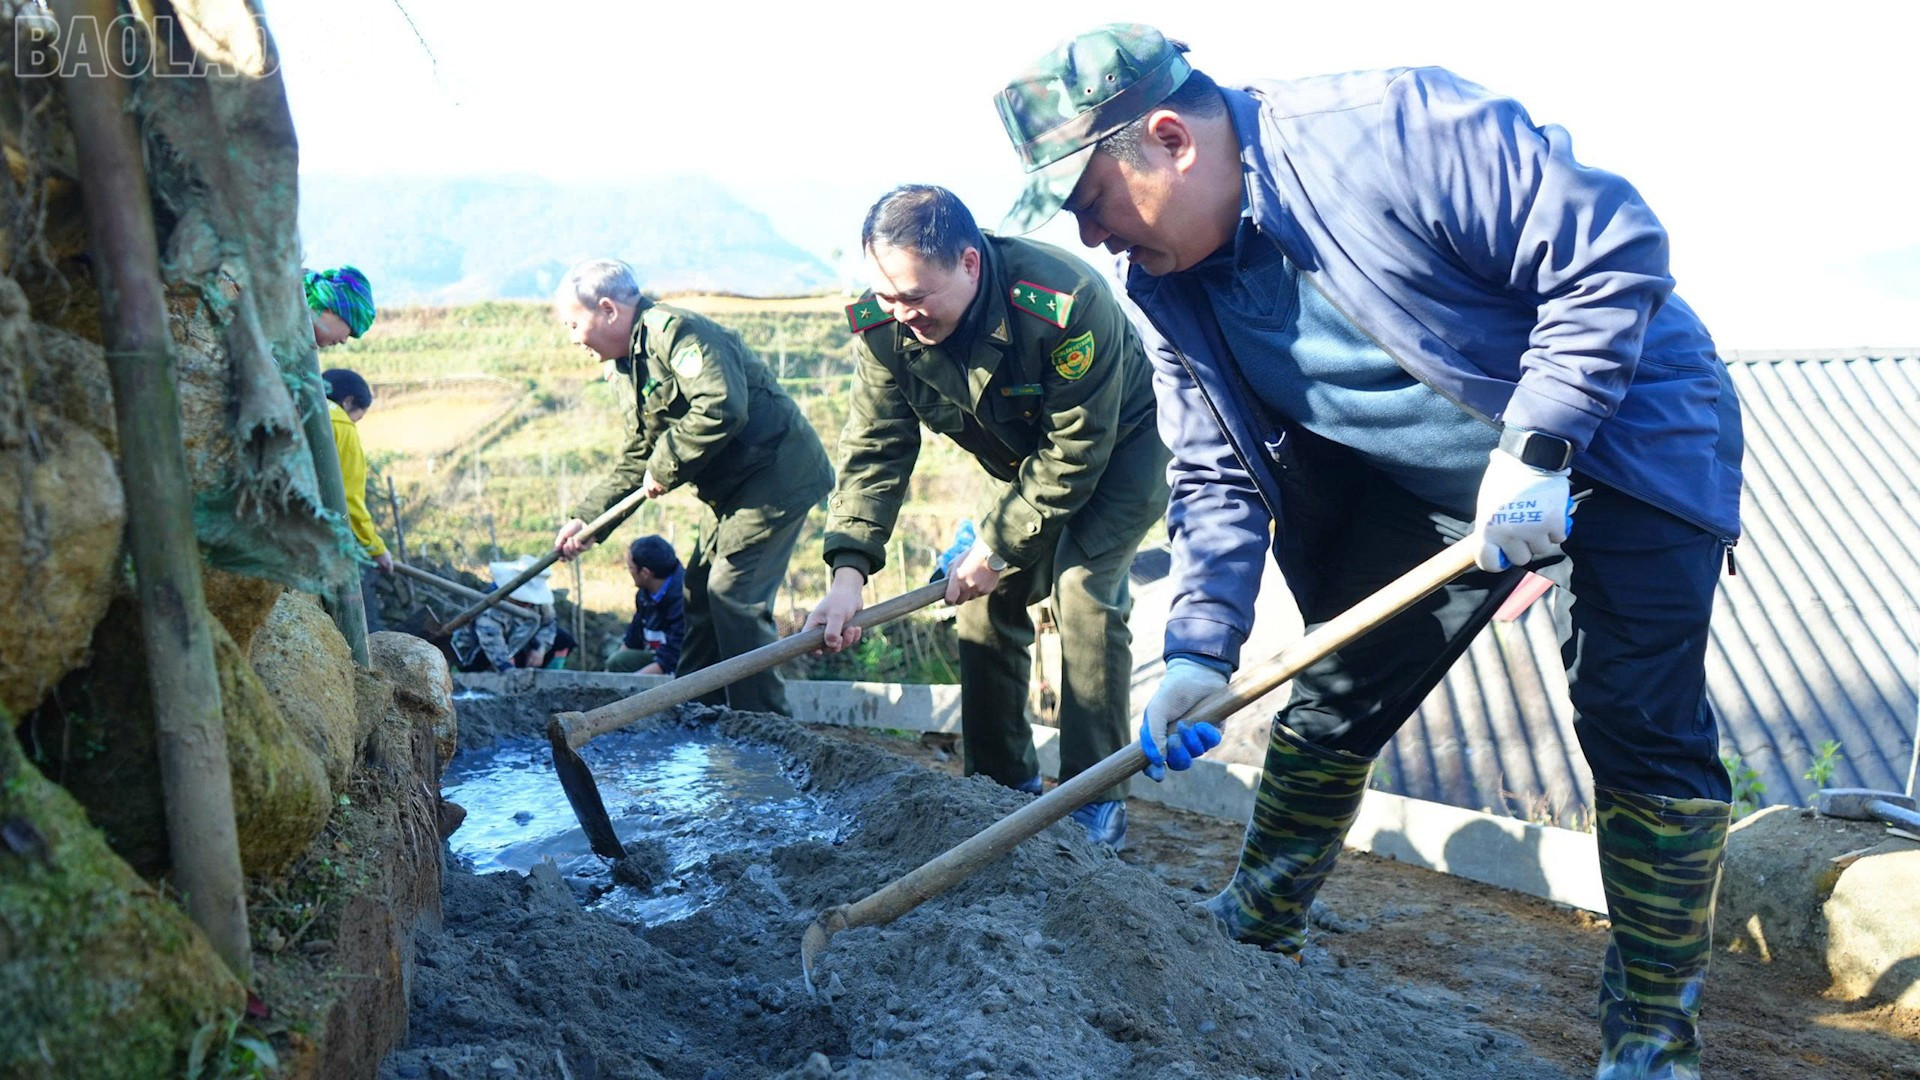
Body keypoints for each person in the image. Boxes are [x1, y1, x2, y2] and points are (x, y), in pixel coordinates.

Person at [995, 25, 1743, 1079]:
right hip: (1434, 484)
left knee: (1638, 724)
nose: (1099, 240)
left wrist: (1539, 442)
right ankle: (1256, 921)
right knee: (1337, 690)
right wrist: (1201, 648)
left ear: (1168, 140)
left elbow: (1610, 245)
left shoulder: (1392, 128)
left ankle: (1652, 1045)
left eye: (1094, 205)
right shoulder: (1169, 285)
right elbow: (1211, 474)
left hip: (1623, 439)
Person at [804, 185, 1169, 849]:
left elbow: (1076, 454)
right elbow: (875, 447)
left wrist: (997, 544)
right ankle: (1000, 790)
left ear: (970, 264)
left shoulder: (1059, 301)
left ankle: (1095, 800)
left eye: (915, 296)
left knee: (1083, 590)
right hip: (1028, 469)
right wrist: (848, 572)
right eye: (887, 297)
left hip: (1124, 450)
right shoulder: (884, 323)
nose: (901, 314)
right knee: (978, 602)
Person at [551, 259, 832, 715]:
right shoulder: (626, 368)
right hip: (731, 490)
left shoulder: (675, 332)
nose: (573, 338)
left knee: (733, 596)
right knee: (695, 593)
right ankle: (698, 714)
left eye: (574, 323)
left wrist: (666, 464)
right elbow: (640, 455)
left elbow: (722, 406)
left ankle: (765, 729)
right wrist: (588, 520)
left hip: (774, 474)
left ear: (607, 309)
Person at [318, 366, 393, 630]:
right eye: (358, 416)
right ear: (348, 401)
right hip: (324, 534)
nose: (356, 422)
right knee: (362, 595)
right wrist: (376, 548)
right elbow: (349, 498)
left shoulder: (300, 403)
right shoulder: (341, 424)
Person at [451, 556, 558, 674]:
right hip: (479, 651)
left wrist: (539, 648)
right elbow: (492, 643)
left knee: (563, 639)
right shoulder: (490, 609)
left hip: (517, 640)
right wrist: (508, 668)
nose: (528, 603)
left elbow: (549, 623)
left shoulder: (539, 605)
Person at [606, 535, 686, 675]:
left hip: (683, 665)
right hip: (657, 656)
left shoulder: (684, 599)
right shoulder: (645, 595)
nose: (629, 571)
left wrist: (628, 685)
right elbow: (633, 638)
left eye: (630, 567)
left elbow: (671, 659)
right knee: (618, 661)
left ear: (645, 573)